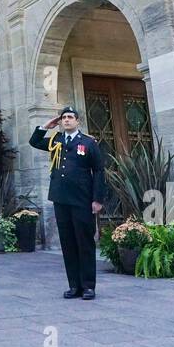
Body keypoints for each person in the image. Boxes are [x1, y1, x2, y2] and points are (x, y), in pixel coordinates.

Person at [29, 106, 105, 299]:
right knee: (68, 243)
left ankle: (88, 286)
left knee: (84, 242)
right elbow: (34, 141)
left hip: (82, 199)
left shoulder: (88, 142)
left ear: (77, 121)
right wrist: (47, 125)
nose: (67, 120)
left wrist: (97, 199)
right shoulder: (57, 140)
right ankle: (74, 286)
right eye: (64, 118)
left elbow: (98, 171)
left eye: (70, 117)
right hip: (61, 198)